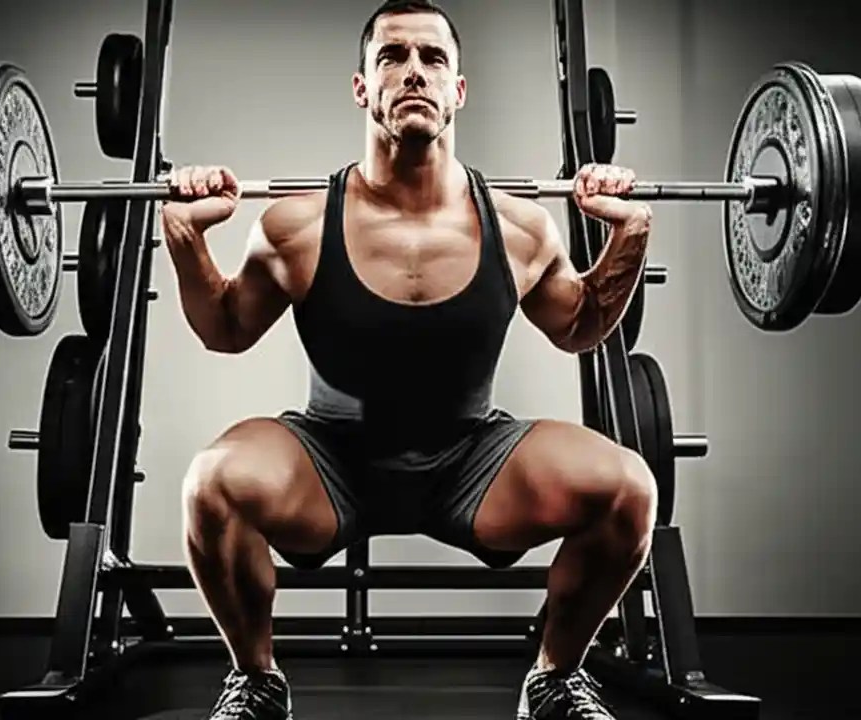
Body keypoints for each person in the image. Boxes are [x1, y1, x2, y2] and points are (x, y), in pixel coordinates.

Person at [159, 1, 657, 717]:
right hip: (331, 459)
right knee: (212, 483)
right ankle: (257, 683)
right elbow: (227, 328)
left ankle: (553, 679)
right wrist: (186, 241)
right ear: (362, 87)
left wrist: (630, 234)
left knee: (628, 490)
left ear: (459, 89)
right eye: (392, 57)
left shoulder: (520, 226)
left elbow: (580, 326)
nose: (414, 72)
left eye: (433, 58)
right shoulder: (297, 225)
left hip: (472, 461)